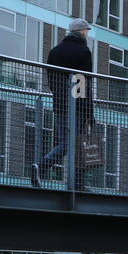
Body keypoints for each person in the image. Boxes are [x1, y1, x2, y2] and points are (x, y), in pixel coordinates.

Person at [30, 18, 94, 189]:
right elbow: (84, 82)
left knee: (69, 142)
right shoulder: (84, 52)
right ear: (81, 32)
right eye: (86, 31)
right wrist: (89, 110)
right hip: (78, 106)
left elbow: (51, 80)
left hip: (59, 104)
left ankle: (77, 182)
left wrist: (60, 95)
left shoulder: (55, 51)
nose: (87, 33)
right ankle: (43, 166)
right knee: (74, 143)